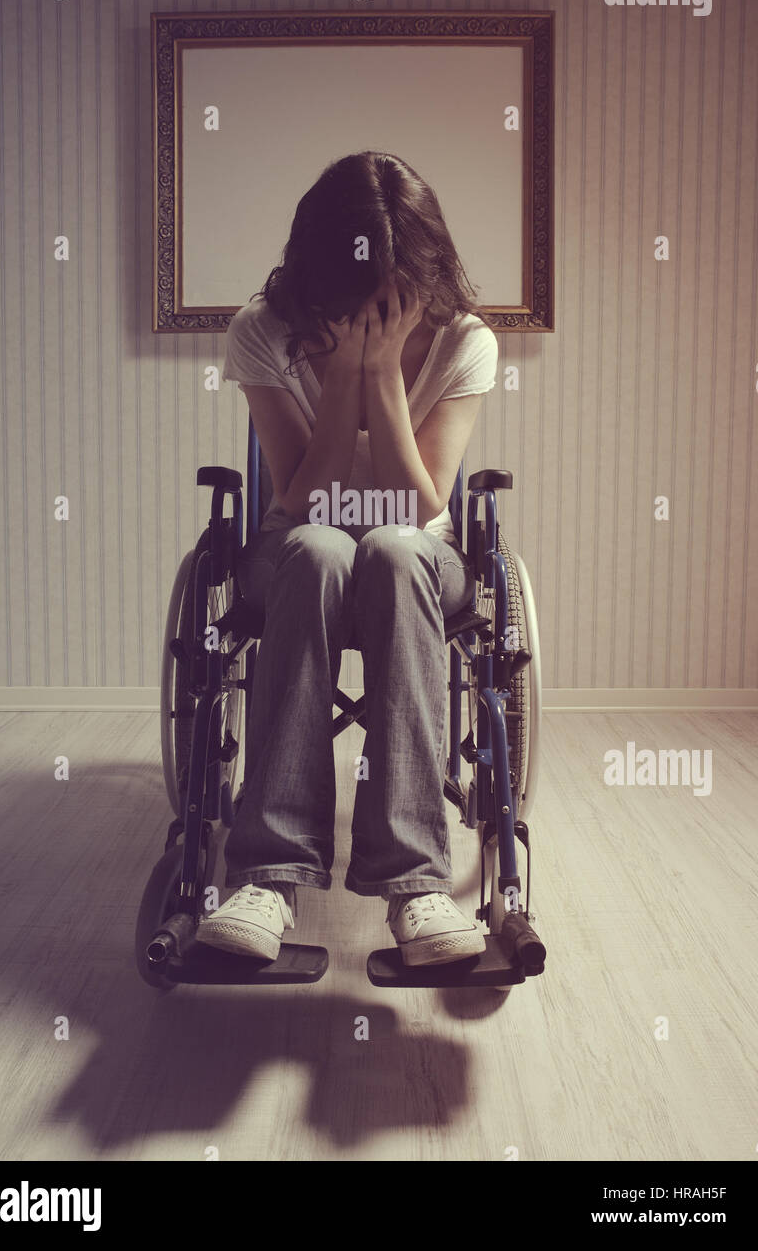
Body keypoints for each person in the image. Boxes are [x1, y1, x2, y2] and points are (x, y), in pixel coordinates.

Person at [195, 151, 498, 968]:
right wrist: (345, 376)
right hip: (301, 549)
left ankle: (416, 887)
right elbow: (298, 498)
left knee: (395, 551)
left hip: (417, 557)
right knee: (326, 547)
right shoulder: (263, 332)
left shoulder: (466, 341)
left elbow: (420, 502)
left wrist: (385, 377)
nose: (376, 310)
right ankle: (267, 878)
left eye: (398, 298)